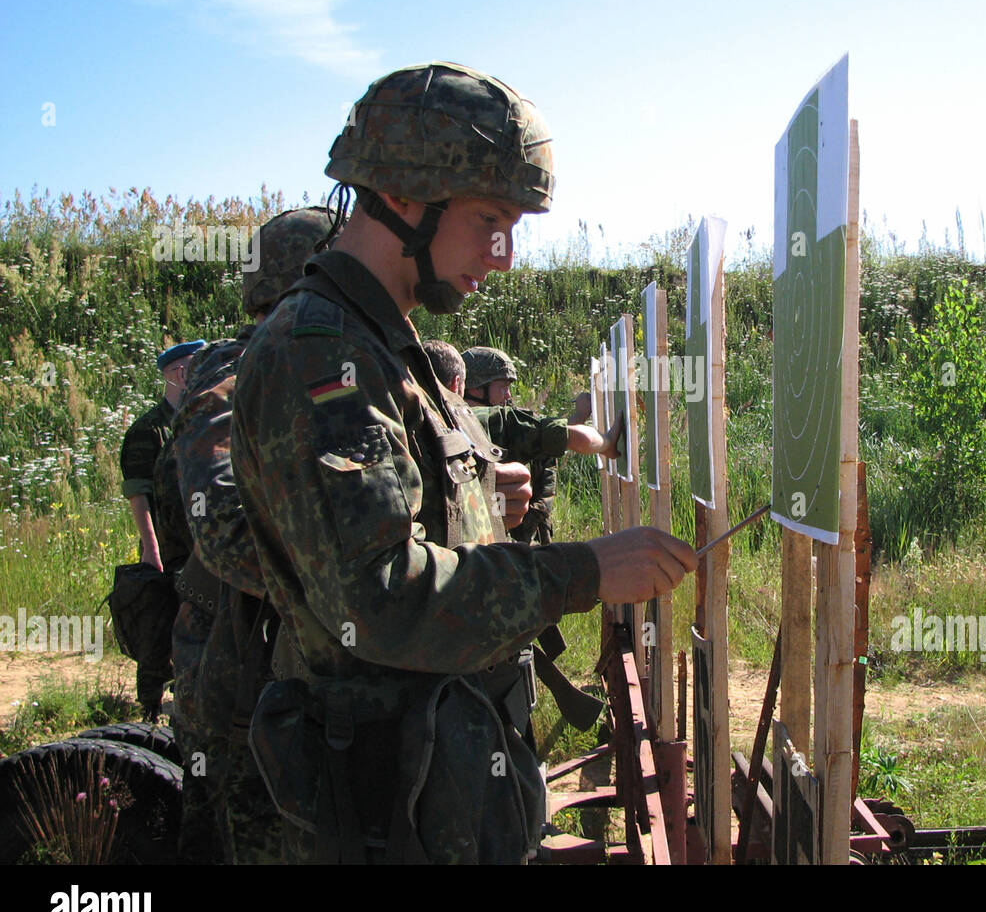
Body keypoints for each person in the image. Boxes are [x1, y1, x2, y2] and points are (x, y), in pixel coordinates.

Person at [229, 61, 696, 864]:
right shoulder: (323, 353)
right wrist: (582, 572)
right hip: (387, 805)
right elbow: (378, 597)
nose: (505, 253)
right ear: (405, 196)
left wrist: (478, 498)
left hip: (439, 783)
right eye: (489, 218)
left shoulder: (383, 342)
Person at [168, 207, 336, 863]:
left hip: (276, 685)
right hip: (240, 688)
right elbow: (231, 539)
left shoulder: (309, 366)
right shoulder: (234, 379)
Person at [427, 341, 616, 545]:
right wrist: (606, 442)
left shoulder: (499, 425)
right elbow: (552, 434)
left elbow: (543, 436)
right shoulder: (486, 423)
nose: (508, 395)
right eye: (502, 387)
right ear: (476, 388)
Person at [118, 338, 204, 720]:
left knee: (197, 623)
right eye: (185, 369)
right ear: (174, 374)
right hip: (166, 546)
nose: (191, 375)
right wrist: (151, 551)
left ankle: (193, 700)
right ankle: (150, 707)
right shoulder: (148, 431)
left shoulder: (204, 417)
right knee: (158, 626)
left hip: (201, 544)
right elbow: (139, 494)